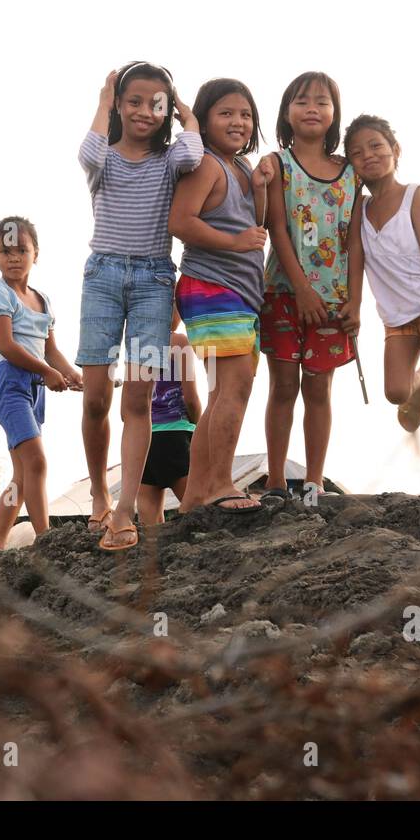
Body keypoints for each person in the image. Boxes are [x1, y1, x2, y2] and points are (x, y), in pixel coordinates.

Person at [77, 62, 203, 551]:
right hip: (102, 278)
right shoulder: (104, 159)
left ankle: (124, 510)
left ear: (167, 110)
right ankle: (97, 496)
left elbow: (192, 152)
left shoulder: (170, 160)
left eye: (156, 103)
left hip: (153, 279)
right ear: (120, 105)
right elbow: (85, 149)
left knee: (137, 399)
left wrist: (187, 116)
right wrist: (106, 96)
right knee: (95, 398)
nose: (144, 111)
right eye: (135, 101)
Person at [342, 115, 420, 494]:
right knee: (396, 394)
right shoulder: (358, 209)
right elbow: (356, 259)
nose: (369, 156)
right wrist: (355, 307)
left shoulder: (414, 194)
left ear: (395, 151)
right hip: (397, 319)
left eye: (377, 147)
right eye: (357, 153)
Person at [169, 77, 274, 513]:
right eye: (226, 113)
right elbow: (181, 221)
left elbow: (256, 223)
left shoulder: (242, 168)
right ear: (206, 119)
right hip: (213, 286)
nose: (238, 121)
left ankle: (195, 496)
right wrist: (234, 244)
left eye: (246, 114)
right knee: (234, 388)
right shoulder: (208, 165)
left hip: (239, 293)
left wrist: (263, 186)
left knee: (225, 392)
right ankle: (221, 484)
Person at [259, 72, 361, 502]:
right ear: (287, 112)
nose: (312, 108)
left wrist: (356, 299)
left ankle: (314, 482)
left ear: (335, 114)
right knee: (283, 385)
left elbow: (355, 240)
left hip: (335, 298)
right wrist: (301, 289)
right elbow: (276, 228)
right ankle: (277, 480)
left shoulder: (350, 171)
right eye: (302, 101)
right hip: (284, 292)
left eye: (322, 101)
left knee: (318, 387)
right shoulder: (277, 164)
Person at [0, 216, 83, 560]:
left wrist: (70, 374)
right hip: (10, 384)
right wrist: (48, 372)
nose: (13, 258)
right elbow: (8, 346)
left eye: (21, 250)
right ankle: (46, 539)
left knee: (22, 475)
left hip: (35, 388)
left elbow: (52, 350)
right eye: (4, 251)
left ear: (36, 254)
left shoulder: (43, 301)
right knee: (36, 462)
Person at [137, 320, 203, 525]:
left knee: (151, 529)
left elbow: (126, 409)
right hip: (175, 434)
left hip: (142, 438)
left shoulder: (137, 343)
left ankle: (156, 557)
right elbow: (190, 398)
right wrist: (199, 426)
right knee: (199, 512)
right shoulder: (179, 341)